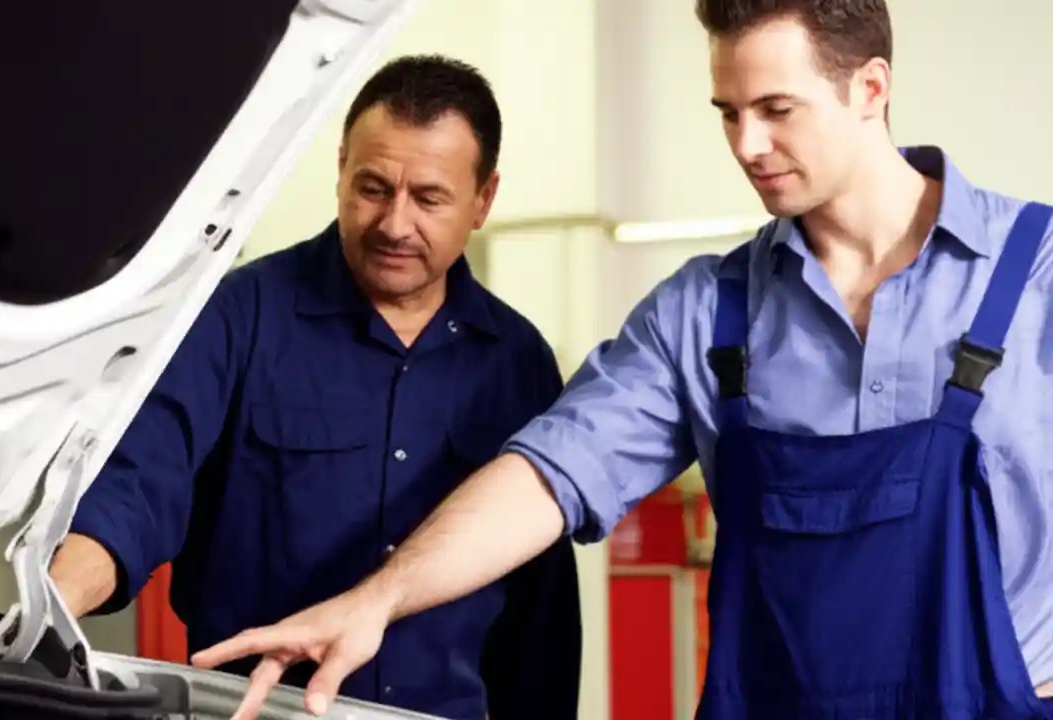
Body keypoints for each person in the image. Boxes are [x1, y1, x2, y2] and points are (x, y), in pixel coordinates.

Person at [189, 1, 1053, 718]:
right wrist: (375, 602)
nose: (746, 144)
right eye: (728, 112)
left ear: (870, 88)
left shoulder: (1038, 277)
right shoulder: (706, 314)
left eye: (776, 109)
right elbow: (548, 474)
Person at [47, 54, 582, 720]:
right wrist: (51, 606)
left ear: (483, 198)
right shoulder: (237, 319)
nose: (394, 224)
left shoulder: (516, 360)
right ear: (340, 169)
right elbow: (139, 486)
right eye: (373, 188)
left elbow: (540, 610)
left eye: (429, 198)